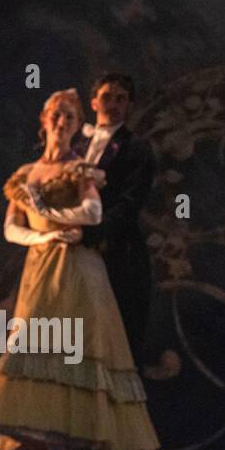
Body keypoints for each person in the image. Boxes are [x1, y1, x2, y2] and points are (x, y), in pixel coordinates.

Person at [0, 88, 158, 450]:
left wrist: (53, 216)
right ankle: (45, 437)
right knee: (37, 344)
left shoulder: (80, 169)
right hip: (41, 265)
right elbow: (11, 227)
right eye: (56, 115)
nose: (62, 122)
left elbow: (92, 213)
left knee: (76, 345)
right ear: (44, 121)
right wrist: (43, 235)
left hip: (77, 265)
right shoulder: (26, 174)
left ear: (78, 126)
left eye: (70, 117)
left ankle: (73, 437)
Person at [73, 72, 156, 365]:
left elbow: (129, 203)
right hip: (71, 253)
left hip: (117, 255)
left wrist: (91, 234)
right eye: (107, 97)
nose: (113, 104)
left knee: (115, 345)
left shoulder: (137, 149)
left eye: (121, 99)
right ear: (94, 102)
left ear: (130, 106)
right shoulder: (74, 147)